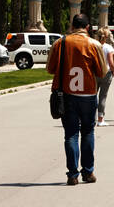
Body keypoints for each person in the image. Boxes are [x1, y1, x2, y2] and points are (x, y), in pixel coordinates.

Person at [46, 14, 108, 185]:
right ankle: (88, 172)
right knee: (88, 132)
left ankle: (72, 174)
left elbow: (50, 69)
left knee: (71, 134)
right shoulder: (94, 44)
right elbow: (102, 72)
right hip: (88, 95)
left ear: (72, 26)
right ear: (87, 27)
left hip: (67, 95)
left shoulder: (60, 43)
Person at [94, 27, 114, 126]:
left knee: (92, 96)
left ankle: (90, 117)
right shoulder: (108, 47)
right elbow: (111, 63)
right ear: (106, 37)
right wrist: (112, 71)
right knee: (103, 96)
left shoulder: (93, 46)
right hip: (106, 73)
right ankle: (100, 119)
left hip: (94, 73)